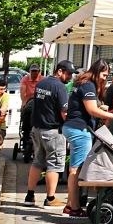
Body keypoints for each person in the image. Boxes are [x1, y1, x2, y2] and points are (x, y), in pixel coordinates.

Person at [63, 59, 113, 217]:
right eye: (104, 75)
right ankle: (74, 207)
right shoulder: (88, 85)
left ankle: (70, 204)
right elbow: (92, 110)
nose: (105, 78)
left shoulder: (82, 82)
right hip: (80, 129)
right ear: (97, 71)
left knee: (75, 168)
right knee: (76, 169)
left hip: (73, 127)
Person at [25, 59, 74, 209]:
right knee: (54, 164)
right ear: (59, 71)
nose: (70, 77)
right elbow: (64, 112)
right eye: (68, 74)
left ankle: (29, 196)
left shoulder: (41, 83)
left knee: (37, 162)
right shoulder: (59, 87)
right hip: (53, 131)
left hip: (37, 128)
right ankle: (50, 198)